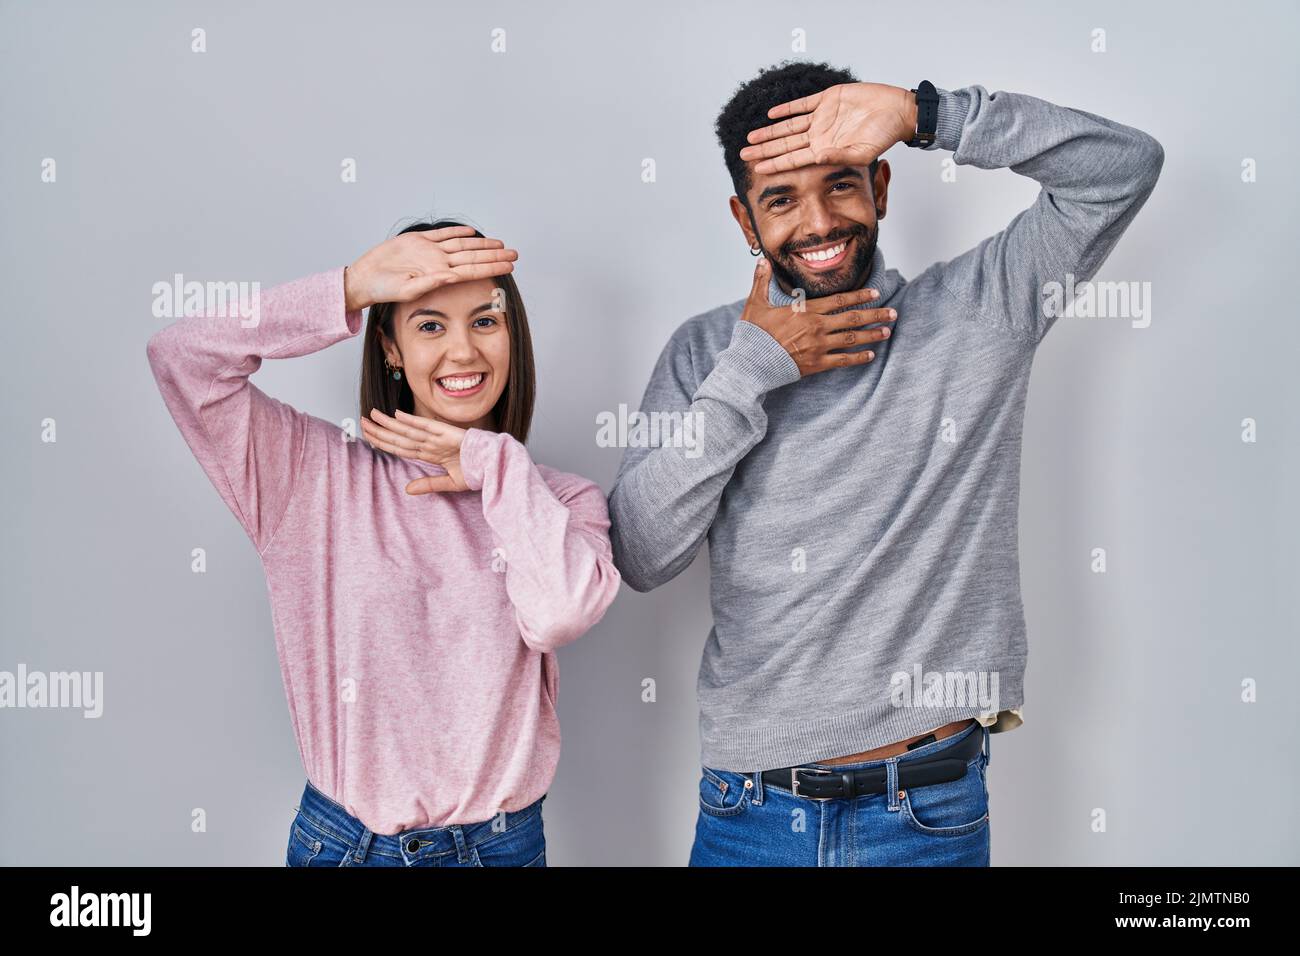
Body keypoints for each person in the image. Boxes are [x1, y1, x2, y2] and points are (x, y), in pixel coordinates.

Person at [607, 63, 1163, 866]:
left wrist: (925, 112)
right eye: (781, 199)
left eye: (839, 184)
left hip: (927, 810)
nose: (818, 221)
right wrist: (756, 367)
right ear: (744, 220)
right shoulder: (707, 353)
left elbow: (1123, 167)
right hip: (749, 815)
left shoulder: (982, 308)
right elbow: (640, 553)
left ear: (882, 186)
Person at [147, 219, 621, 866]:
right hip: (344, 847)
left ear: (513, 335)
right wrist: (349, 287)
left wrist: (493, 465)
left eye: (485, 321)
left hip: (500, 848)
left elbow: (560, 612)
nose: (463, 352)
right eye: (429, 325)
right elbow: (181, 356)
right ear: (391, 349)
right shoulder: (310, 476)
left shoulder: (558, 501)